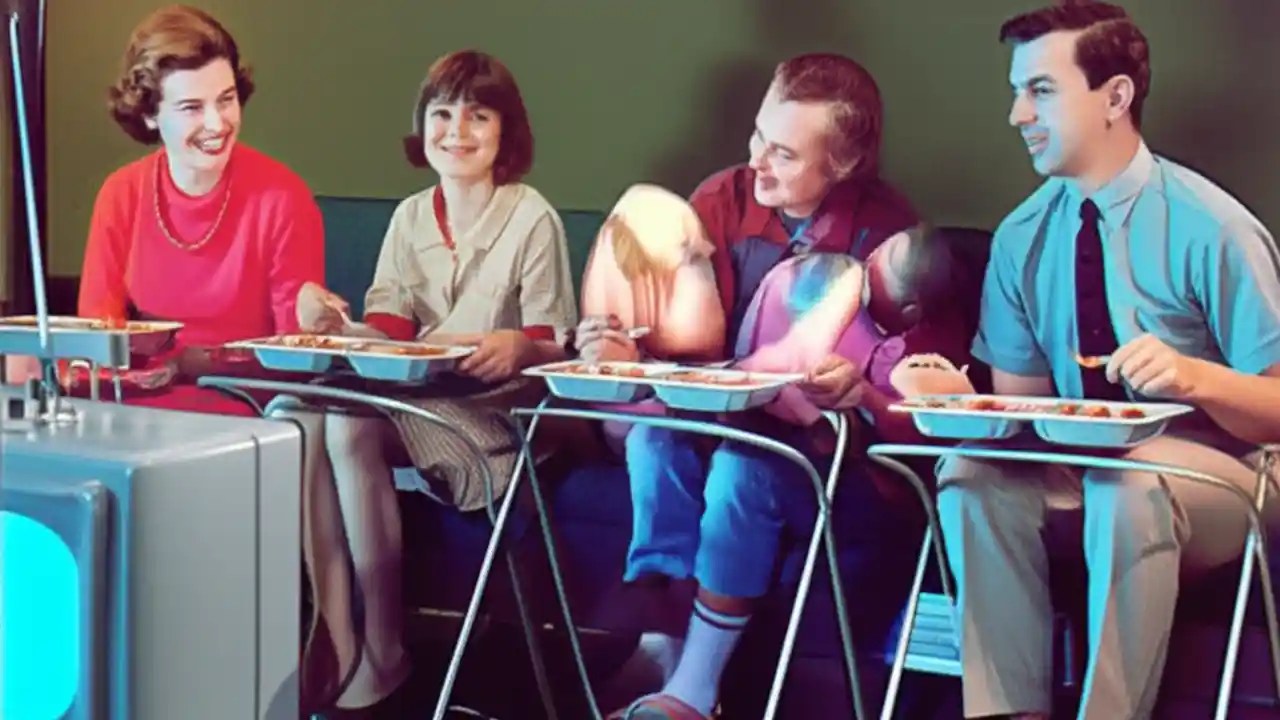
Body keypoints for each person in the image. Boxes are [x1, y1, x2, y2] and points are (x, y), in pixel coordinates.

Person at [576, 53, 967, 720]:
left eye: (783, 153)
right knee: (650, 440)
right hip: (708, 414)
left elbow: (914, 401)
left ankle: (690, 688)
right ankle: (665, 637)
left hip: (811, 444)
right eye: (758, 136)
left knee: (739, 469)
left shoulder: (889, 241)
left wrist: (855, 390)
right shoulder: (719, 201)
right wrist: (616, 344)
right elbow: (679, 341)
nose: (757, 161)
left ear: (842, 164)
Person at [936, 4, 1280, 719]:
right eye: (1017, 90)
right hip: (1085, 471)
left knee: (1129, 487)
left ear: (1115, 98)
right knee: (972, 475)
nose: (1017, 114)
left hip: (1228, 477)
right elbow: (1028, 414)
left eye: (1041, 90)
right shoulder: (1023, 237)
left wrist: (1196, 377)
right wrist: (957, 400)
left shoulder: (1212, 227)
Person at [279, 50, 576, 718]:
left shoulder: (532, 218)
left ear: (507, 131)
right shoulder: (411, 216)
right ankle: (337, 636)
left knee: (351, 424)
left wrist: (520, 347)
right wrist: (335, 322)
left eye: (478, 114)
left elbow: (553, 344)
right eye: (442, 113)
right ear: (423, 126)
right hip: (415, 400)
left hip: (493, 419)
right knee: (297, 413)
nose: (457, 129)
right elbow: (387, 332)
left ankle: (384, 646)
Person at [68, 4, 324, 413]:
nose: (217, 123)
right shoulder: (121, 193)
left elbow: (294, 357)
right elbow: (97, 341)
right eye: (191, 107)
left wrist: (188, 363)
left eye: (226, 100)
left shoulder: (282, 196)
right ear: (150, 114)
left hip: (249, 412)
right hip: (138, 411)